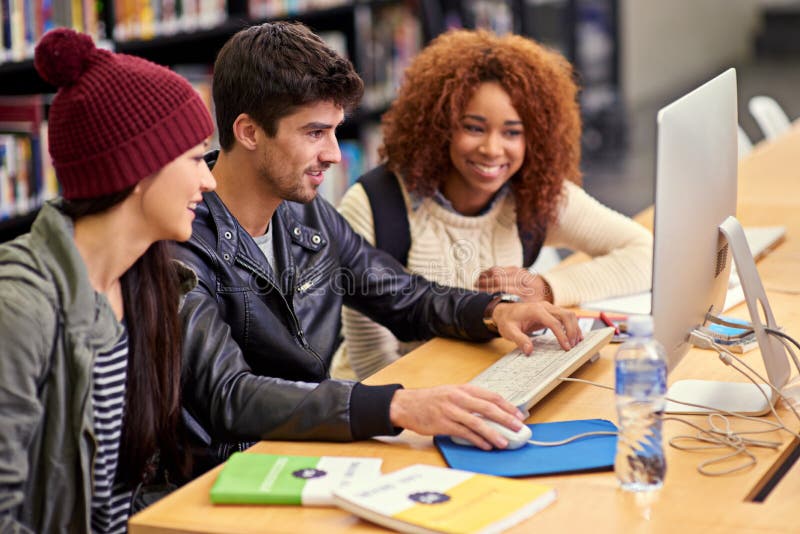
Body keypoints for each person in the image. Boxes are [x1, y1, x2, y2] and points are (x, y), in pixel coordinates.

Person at [174, 21, 582, 471]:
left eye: (335, 131)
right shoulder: (183, 242)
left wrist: (495, 311)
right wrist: (397, 407)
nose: (333, 153)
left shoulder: (305, 215)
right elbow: (229, 395)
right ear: (249, 132)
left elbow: (402, 294)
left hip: (303, 447)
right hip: (225, 472)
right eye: (314, 133)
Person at [332, 29, 653, 381]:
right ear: (441, 126)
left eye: (512, 132)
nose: (492, 149)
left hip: (485, 378)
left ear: (536, 137)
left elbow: (646, 252)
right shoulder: (374, 204)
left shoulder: (536, 192)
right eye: (474, 127)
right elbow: (370, 357)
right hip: (389, 398)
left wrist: (545, 288)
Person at [0, 29, 216, 532]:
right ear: (137, 169)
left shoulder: (147, 285)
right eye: (193, 158)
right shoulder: (19, 309)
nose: (208, 179)